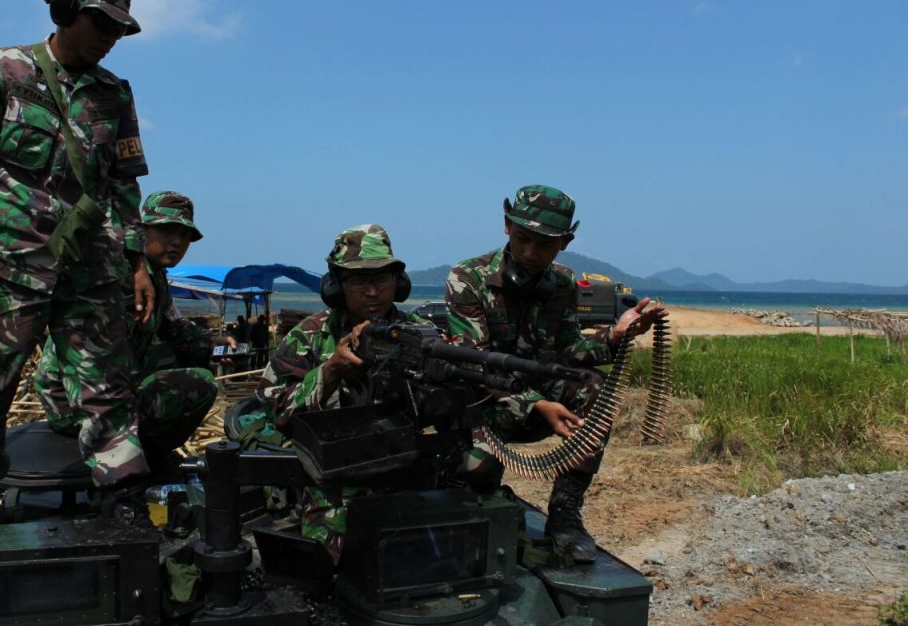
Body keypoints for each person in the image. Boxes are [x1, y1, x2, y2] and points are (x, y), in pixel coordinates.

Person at [0, 0, 155, 575]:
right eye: (101, 23)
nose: (110, 38)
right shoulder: (2, 69)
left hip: (91, 267)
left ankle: (123, 506)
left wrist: (137, 260)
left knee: (107, 390)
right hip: (12, 263)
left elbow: (125, 184)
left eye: (119, 29)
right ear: (63, 9)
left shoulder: (115, 94)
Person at [445, 184, 666, 563]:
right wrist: (537, 405)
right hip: (481, 404)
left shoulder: (562, 283)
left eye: (545, 245)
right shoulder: (468, 278)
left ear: (565, 242)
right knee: (477, 474)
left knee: (593, 387)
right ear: (506, 226)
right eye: (522, 239)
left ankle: (565, 514)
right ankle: (480, 501)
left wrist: (615, 337)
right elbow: (475, 365)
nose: (530, 254)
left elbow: (569, 350)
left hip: (536, 400)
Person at [35, 192, 228, 478]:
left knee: (184, 359)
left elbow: (171, 327)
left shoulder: (154, 276)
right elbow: (93, 360)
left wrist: (212, 344)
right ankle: (143, 461)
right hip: (76, 398)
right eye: (167, 231)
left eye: (184, 235)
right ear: (140, 231)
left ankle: (149, 455)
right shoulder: (118, 275)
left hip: (106, 386)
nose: (176, 242)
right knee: (199, 383)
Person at [257, 224, 419, 563]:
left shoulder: (418, 335)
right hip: (334, 474)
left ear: (399, 283)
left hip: (405, 466)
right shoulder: (309, 337)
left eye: (383, 279)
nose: (372, 292)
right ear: (335, 286)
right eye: (358, 281)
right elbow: (276, 412)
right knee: (330, 558)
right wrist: (330, 372)